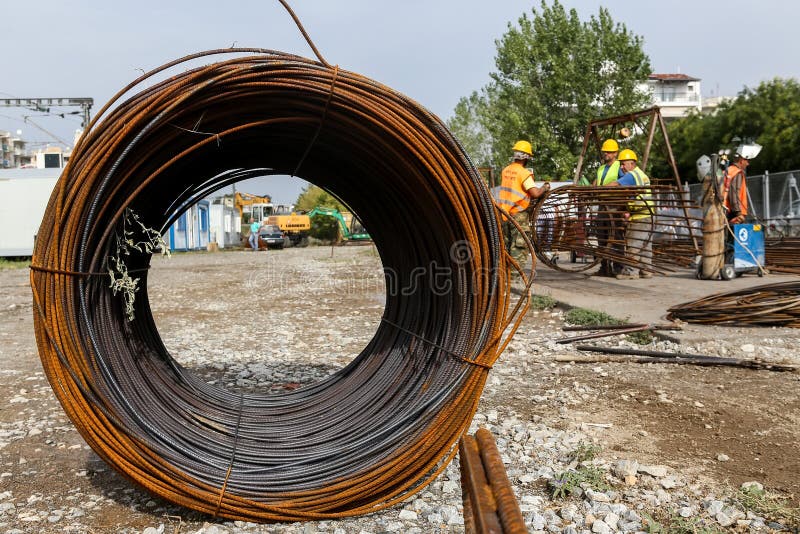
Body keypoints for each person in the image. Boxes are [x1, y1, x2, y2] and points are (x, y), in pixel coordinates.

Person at [496, 140, 550, 272]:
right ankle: (513, 278)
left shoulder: (506, 170)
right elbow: (535, 193)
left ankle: (504, 277)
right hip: (518, 215)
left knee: (506, 247)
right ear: (527, 157)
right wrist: (545, 187)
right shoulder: (523, 173)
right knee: (519, 247)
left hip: (504, 214)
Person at [605, 149, 654, 280]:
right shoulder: (642, 174)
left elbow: (615, 184)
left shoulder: (631, 175)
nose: (621, 167)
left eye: (623, 164)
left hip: (640, 216)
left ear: (631, 163)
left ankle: (631, 272)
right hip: (649, 215)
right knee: (645, 245)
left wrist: (600, 189)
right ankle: (646, 270)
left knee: (634, 243)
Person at [593, 139, 624, 276]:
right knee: (602, 237)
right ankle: (604, 267)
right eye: (605, 151)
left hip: (614, 205)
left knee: (616, 237)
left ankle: (618, 267)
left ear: (615, 153)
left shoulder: (619, 167)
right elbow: (597, 182)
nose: (606, 153)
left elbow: (624, 182)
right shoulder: (601, 168)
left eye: (609, 151)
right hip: (602, 206)